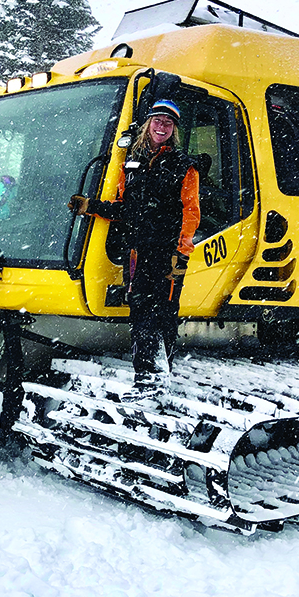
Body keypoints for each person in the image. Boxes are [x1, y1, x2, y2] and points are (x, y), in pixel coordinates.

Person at [70, 99, 200, 398]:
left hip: (173, 253)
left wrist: (182, 250)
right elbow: (124, 207)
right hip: (137, 250)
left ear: (174, 130)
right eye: (157, 120)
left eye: (168, 123)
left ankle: (161, 372)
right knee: (140, 309)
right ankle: (146, 376)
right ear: (148, 124)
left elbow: (190, 211)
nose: (162, 126)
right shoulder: (131, 162)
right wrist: (91, 207)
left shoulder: (184, 166)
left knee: (166, 309)